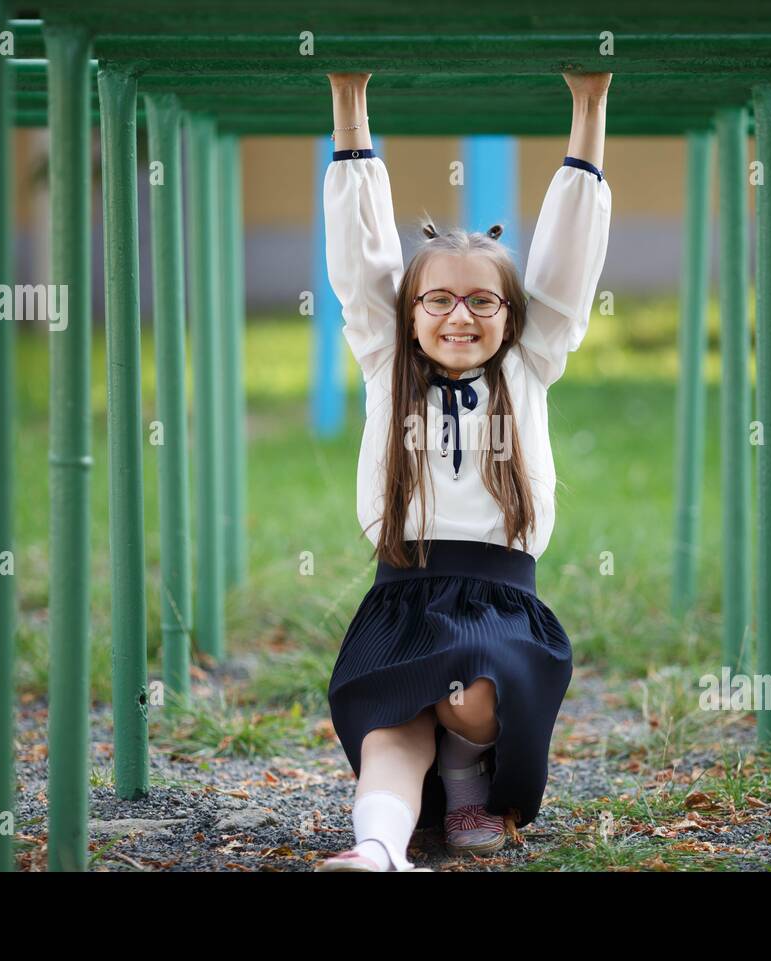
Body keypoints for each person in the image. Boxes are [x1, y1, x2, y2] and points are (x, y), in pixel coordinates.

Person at [315, 70, 612, 871]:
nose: (459, 314)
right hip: (402, 596)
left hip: (500, 605)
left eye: (483, 301)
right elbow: (360, 256)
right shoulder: (387, 361)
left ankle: (466, 774)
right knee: (391, 730)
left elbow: (569, 263)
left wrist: (589, 109)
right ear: (407, 315)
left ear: (512, 318)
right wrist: (349, 103)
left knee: (470, 696)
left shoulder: (528, 365)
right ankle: (378, 848)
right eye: (438, 300)